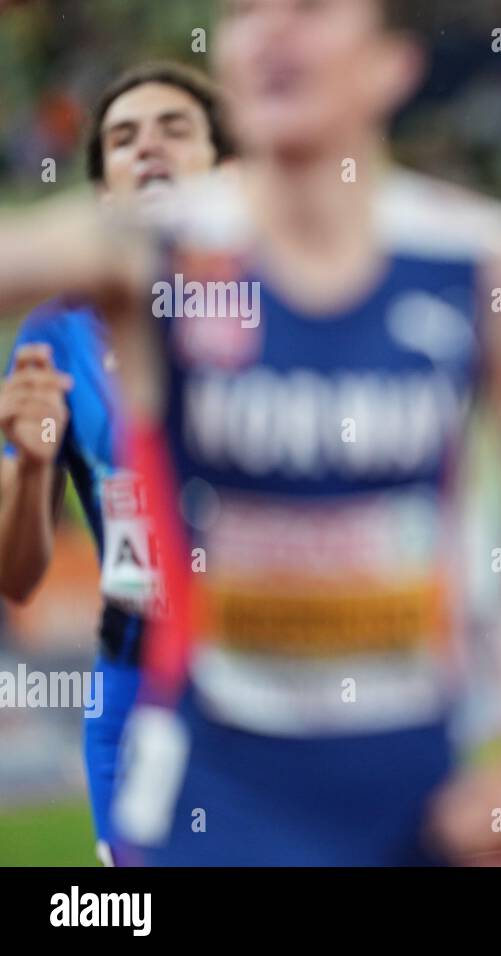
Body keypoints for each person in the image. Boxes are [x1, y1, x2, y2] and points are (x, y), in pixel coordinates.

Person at [0, 0, 501, 865]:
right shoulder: (148, 251)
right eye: (244, 10)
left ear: (392, 64)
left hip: (415, 789)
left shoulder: (483, 261)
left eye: (310, 8)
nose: (271, 30)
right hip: (212, 783)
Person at [0, 61, 235, 865]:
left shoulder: (291, 294)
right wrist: (30, 470)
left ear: (226, 166)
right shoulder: (53, 334)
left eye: (176, 129)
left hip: (287, 688)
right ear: (102, 195)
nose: (149, 150)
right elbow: (17, 577)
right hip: (136, 688)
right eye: (123, 140)